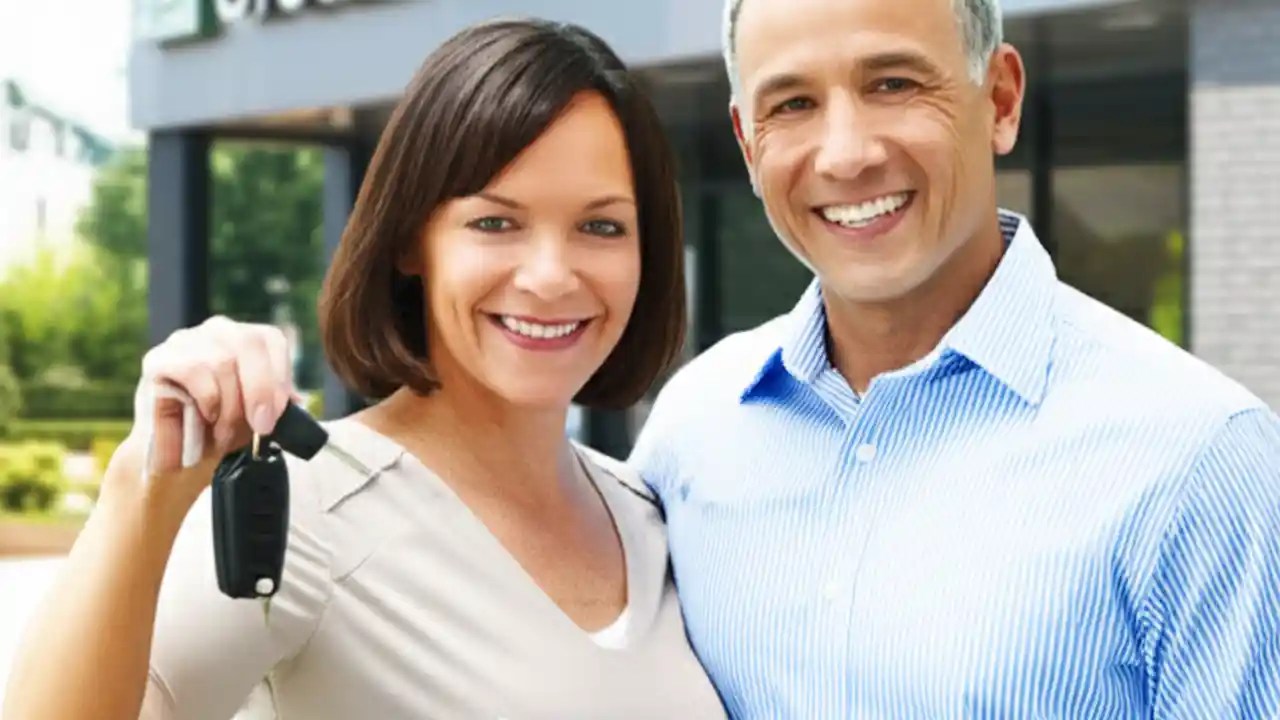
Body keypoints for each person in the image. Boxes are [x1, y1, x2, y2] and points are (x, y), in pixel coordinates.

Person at [3, 18, 727, 720]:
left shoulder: (649, 515)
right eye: (495, 222)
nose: (549, 275)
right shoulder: (307, 508)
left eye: (601, 226)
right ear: (412, 241)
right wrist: (144, 488)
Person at [629, 0, 1280, 717]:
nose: (847, 154)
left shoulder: (1204, 456)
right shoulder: (690, 434)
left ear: (999, 100)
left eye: (894, 85)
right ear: (749, 146)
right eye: (792, 103)